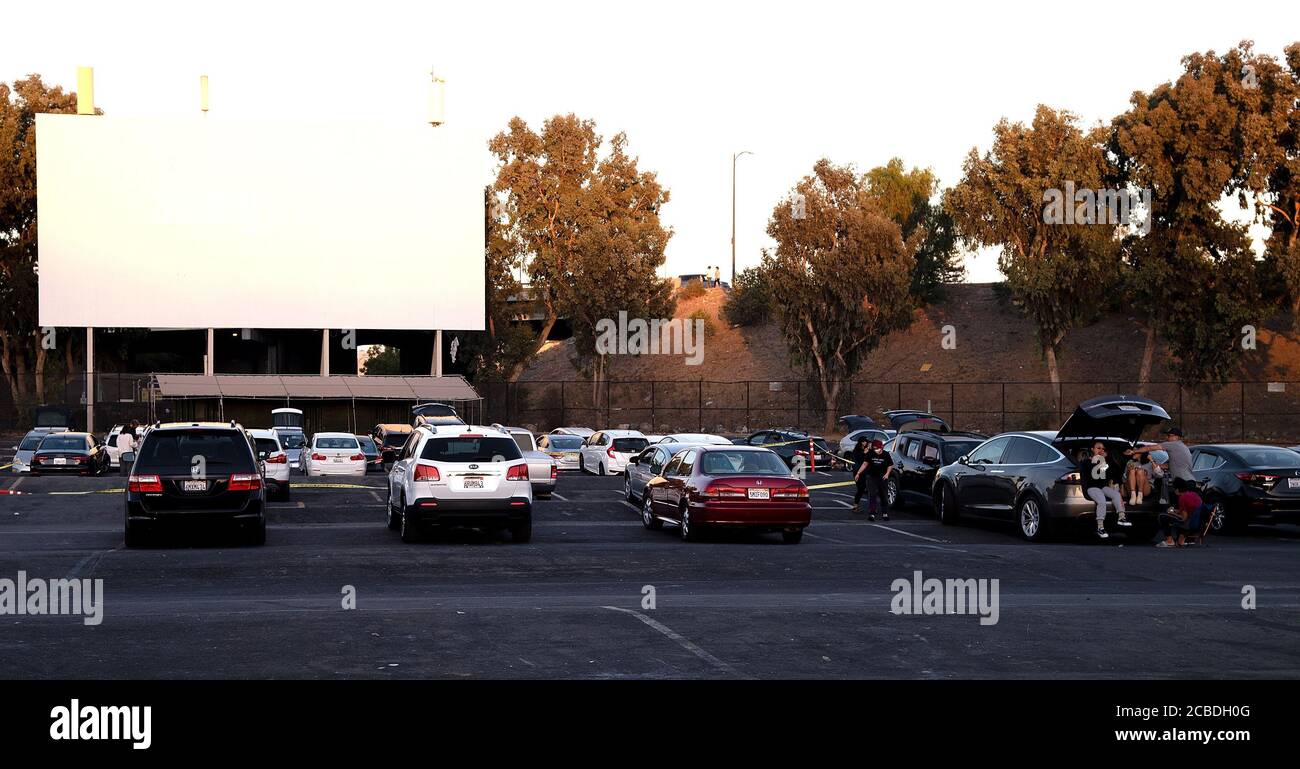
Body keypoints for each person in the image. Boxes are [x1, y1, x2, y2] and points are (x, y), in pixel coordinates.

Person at [1080, 441, 1130, 539]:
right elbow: (1092, 474)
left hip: (1103, 487)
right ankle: (1100, 527)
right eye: (1098, 448)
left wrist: (1107, 460)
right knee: (1101, 500)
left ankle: (1121, 517)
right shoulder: (1086, 462)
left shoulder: (1104, 461)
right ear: (1092, 449)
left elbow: (1112, 471)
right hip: (1092, 487)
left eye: (1103, 449)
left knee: (1116, 495)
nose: (1101, 450)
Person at [1127, 426, 1193, 486]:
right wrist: (1158, 465)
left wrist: (1133, 451)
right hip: (1190, 481)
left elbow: (1149, 448)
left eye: (1169, 436)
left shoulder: (1173, 444)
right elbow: (1175, 464)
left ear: (1177, 437)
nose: (1167, 438)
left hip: (1183, 483)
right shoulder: (1183, 447)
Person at [1158, 477, 1203, 548]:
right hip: (1199, 523)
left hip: (1189, 524)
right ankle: (1181, 540)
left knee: (1162, 516)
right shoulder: (1193, 494)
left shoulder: (1182, 498)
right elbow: (1188, 509)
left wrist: (1172, 513)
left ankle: (1170, 540)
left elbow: (1183, 518)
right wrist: (1176, 510)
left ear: (1177, 490)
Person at [855, 439, 894, 522]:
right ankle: (872, 513)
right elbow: (865, 464)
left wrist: (887, 474)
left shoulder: (886, 454)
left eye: (877, 449)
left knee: (883, 495)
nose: (876, 450)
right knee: (872, 495)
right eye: (874, 448)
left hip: (882, 477)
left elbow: (890, 465)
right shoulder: (870, 454)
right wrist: (858, 473)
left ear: (881, 448)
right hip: (872, 477)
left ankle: (885, 513)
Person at [849, 437, 870, 514]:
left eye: (866, 442)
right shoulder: (856, 451)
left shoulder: (867, 450)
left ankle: (857, 505)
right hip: (857, 471)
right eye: (864, 442)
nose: (865, 443)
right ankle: (855, 506)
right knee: (860, 489)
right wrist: (864, 453)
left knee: (863, 489)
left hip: (865, 472)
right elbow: (858, 460)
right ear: (860, 442)